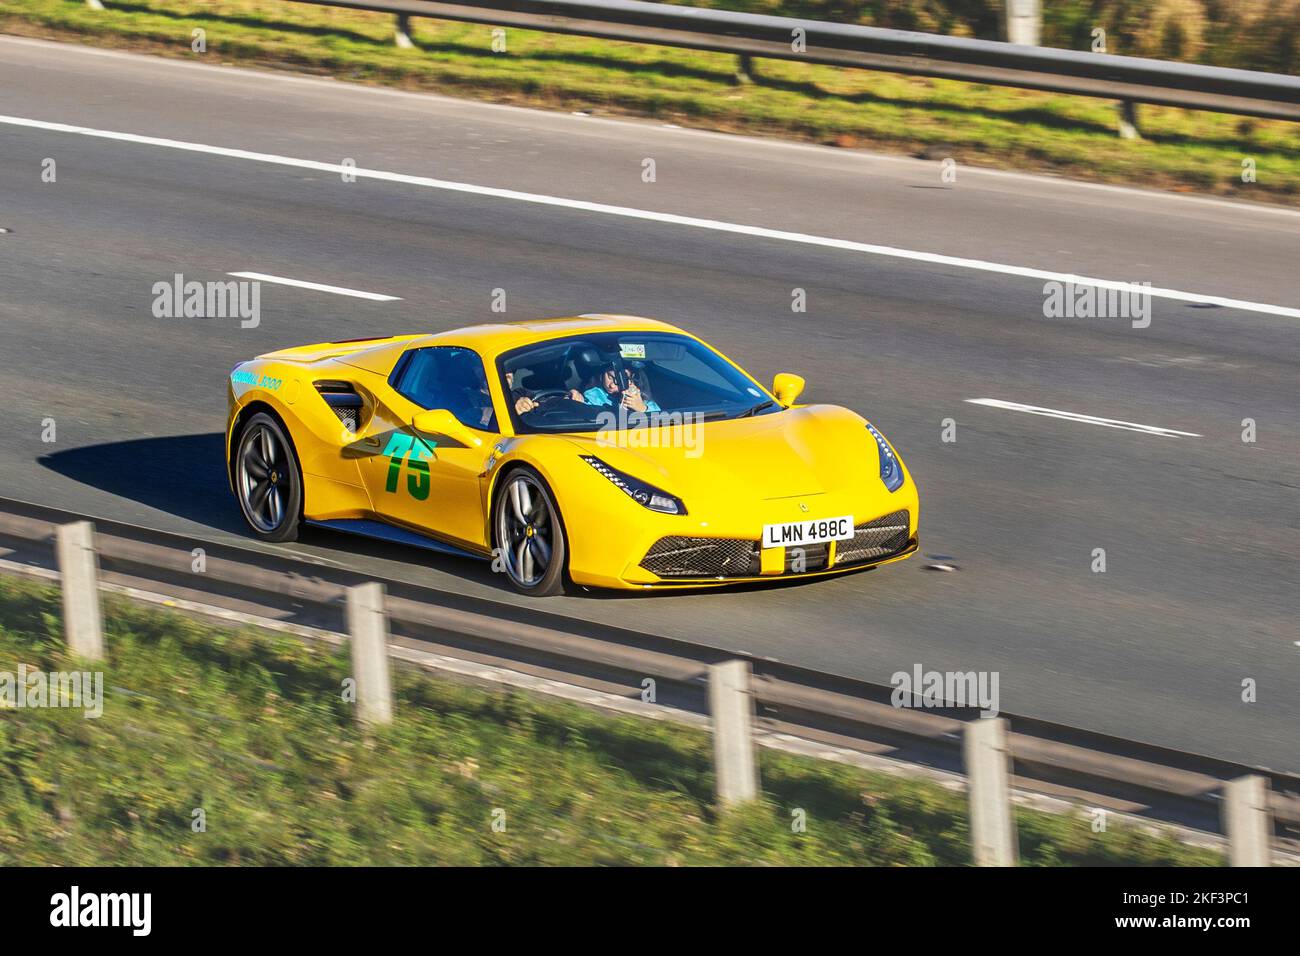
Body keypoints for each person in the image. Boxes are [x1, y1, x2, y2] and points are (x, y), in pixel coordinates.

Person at [582, 365, 659, 413]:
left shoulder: (638, 396)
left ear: (631, 381)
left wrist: (643, 408)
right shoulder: (593, 395)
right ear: (603, 372)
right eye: (610, 377)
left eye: (619, 382)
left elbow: (661, 417)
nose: (612, 385)